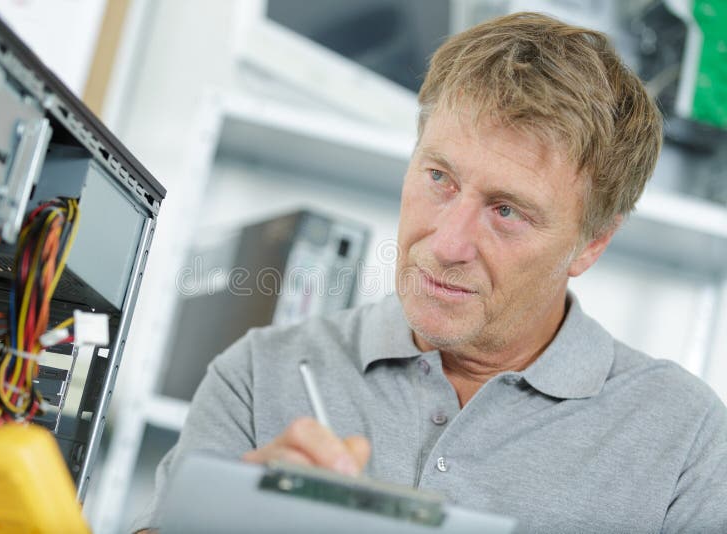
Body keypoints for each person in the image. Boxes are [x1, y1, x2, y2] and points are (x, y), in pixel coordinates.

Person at [133, 11, 727, 533]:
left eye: (506, 211)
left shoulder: (689, 441)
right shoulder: (261, 373)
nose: (446, 244)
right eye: (439, 178)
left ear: (591, 243)